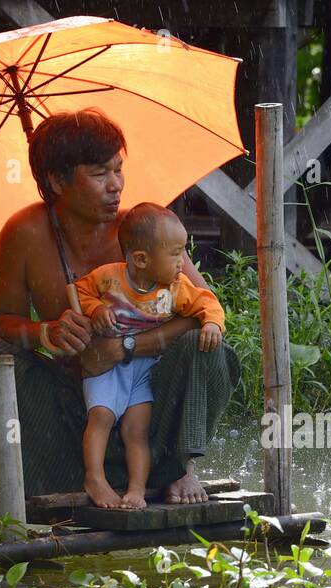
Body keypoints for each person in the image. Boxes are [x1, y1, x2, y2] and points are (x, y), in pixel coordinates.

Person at [0, 108, 240, 503]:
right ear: (56, 181)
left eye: (118, 170)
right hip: (77, 403)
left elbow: (204, 310)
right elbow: (3, 322)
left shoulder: (141, 234)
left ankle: (178, 469)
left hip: (149, 396)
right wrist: (47, 333)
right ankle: (68, 478)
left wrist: (124, 348)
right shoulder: (24, 233)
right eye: (100, 174)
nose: (115, 185)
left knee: (208, 347)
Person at [75, 202, 225, 510]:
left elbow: (207, 302)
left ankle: (136, 489)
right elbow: (80, 292)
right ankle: (95, 478)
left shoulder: (175, 288)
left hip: (144, 368)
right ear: (141, 259)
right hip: (107, 367)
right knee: (101, 416)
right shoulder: (109, 278)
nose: (183, 262)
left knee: (136, 429)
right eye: (175, 254)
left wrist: (212, 323)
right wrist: (97, 309)